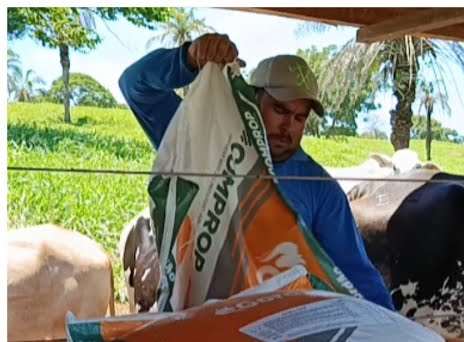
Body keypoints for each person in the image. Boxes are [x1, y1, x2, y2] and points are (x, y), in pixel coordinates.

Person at [119, 33, 395, 310]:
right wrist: (187, 59)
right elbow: (134, 85)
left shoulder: (320, 189)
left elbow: (357, 276)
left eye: (299, 118)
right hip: (194, 325)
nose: (288, 127)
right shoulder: (202, 144)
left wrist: (398, 332)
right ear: (252, 98)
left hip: (269, 337)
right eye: (279, 110)